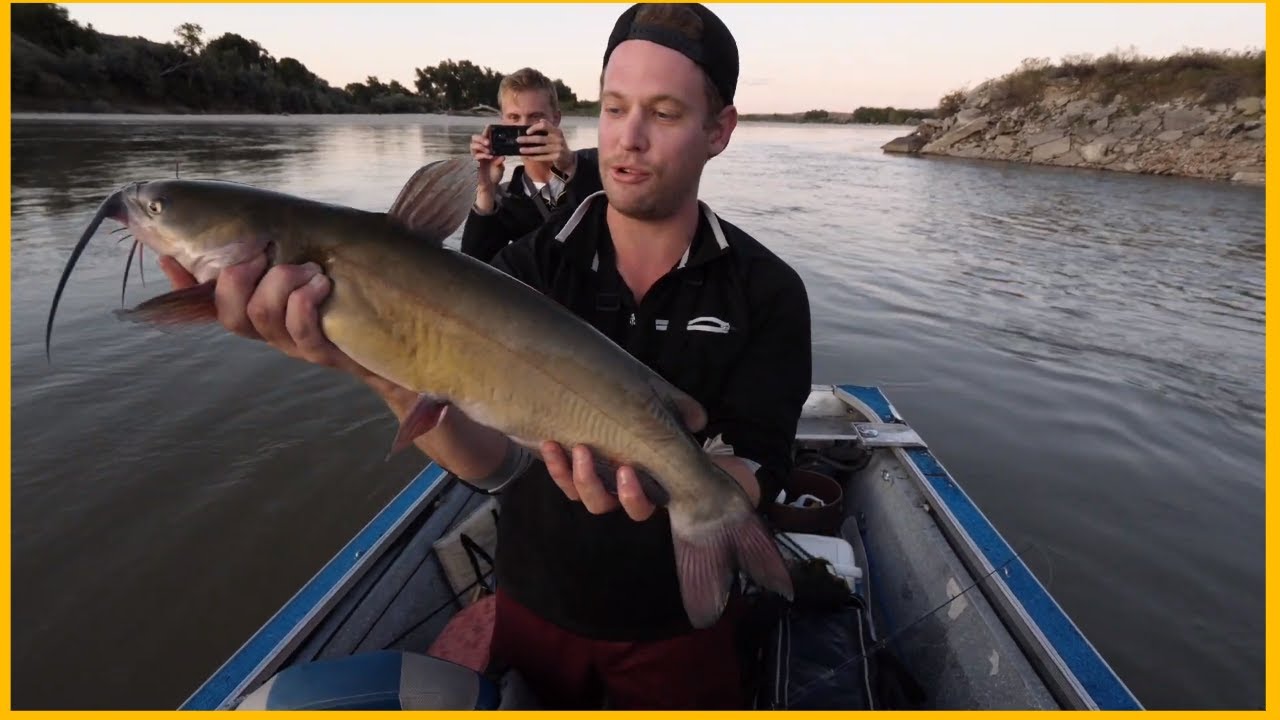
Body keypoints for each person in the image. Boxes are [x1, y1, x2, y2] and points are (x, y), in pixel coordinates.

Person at [158, 2, 812, 710]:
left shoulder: (769, 291)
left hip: (677, 632)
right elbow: (492, 465)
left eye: (664, 112)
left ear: (719, 130)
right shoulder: (522, 266)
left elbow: (761, 459)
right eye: (614, 107)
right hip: (534, 605)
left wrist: (697, 494)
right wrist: (368, 363)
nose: (630, 137)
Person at [461, 67, 602, 262]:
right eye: (514, 117)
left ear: (556, 118)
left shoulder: (596, 164)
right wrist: (485, 189)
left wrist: (570, 167)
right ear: (503, 122)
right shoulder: (505, 199)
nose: (524, 127)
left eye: (535, 116)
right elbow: (475, 268)